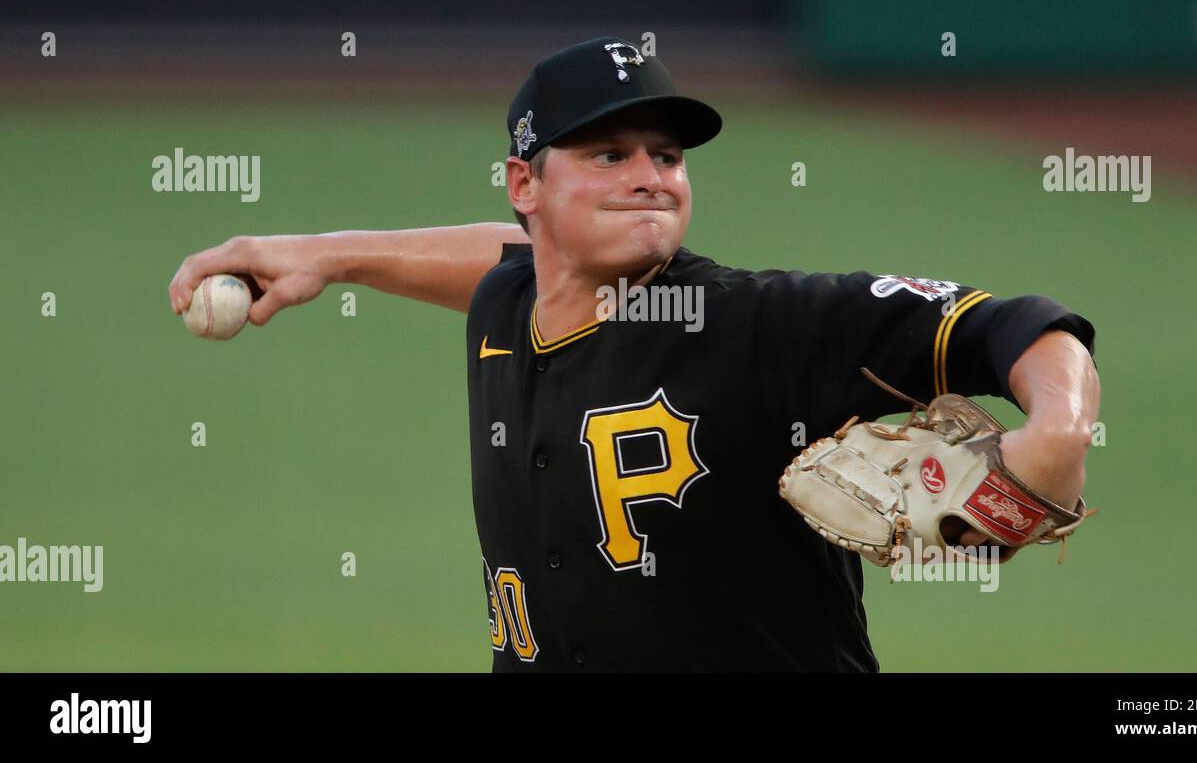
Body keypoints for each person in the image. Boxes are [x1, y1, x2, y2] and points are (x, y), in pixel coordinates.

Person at [168, 37, 1100, 672]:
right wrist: (329, 258)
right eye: (610, 156)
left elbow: (1012, 325)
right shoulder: (508, 304)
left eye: (666, 156)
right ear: (526, 183)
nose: (651, 176)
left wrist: (1055, 432)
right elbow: (504, 259)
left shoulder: (757, 326)